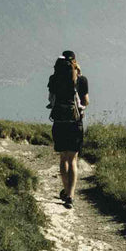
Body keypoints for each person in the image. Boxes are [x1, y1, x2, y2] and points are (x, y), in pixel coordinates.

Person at [48, 50, 89, 208]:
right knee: (73, 160)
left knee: (63, 158)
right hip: (75, 124)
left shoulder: (53, 79)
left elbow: (51, 100)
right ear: (75, 62)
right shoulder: (81, 80)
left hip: (59, 123)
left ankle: (65, 191)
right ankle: (71, 196)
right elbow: (85, 102)